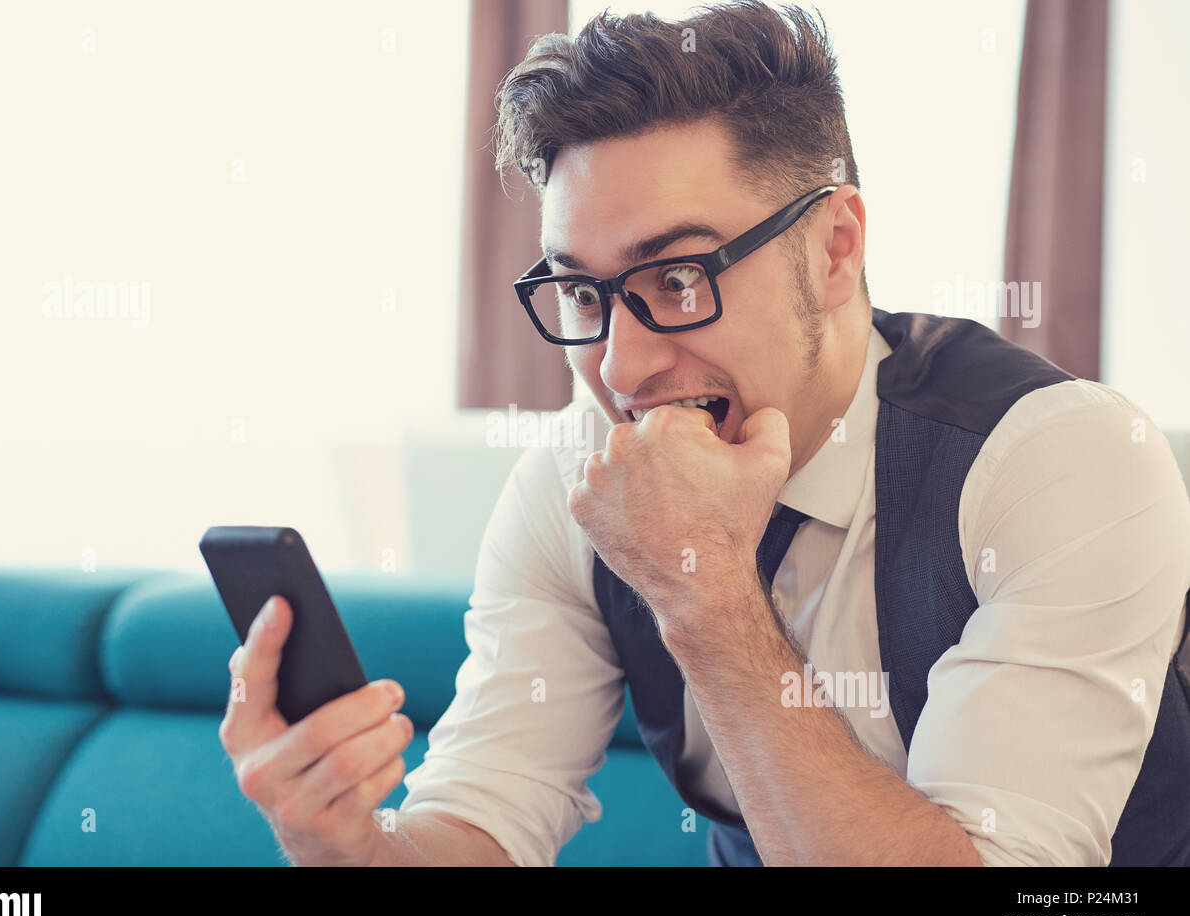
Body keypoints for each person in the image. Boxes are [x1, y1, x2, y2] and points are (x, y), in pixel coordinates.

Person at [219, 0, 1190, 866]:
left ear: (835, 247)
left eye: (678, 279)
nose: (620, 366)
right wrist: (342, 839)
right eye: (583, 293)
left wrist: (702, 590)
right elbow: (482, 823)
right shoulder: (572, 479)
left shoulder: (1062, 458)